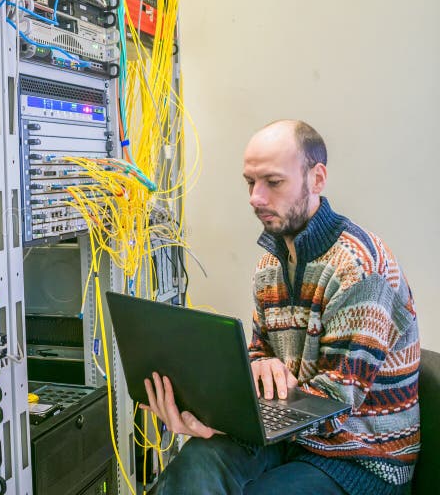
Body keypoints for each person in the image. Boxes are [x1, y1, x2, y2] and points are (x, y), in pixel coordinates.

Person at [142, 120, 420, 494]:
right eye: (250, 183)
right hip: (289, 439)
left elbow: (336, 406)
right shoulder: (269, 267)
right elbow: (259, 353)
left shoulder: (360, 269)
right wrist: (259, 365)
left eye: (273, 183)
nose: (255, 198)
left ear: (317, 178)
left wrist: (229, 420)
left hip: (362, 458)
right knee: (193, 466)